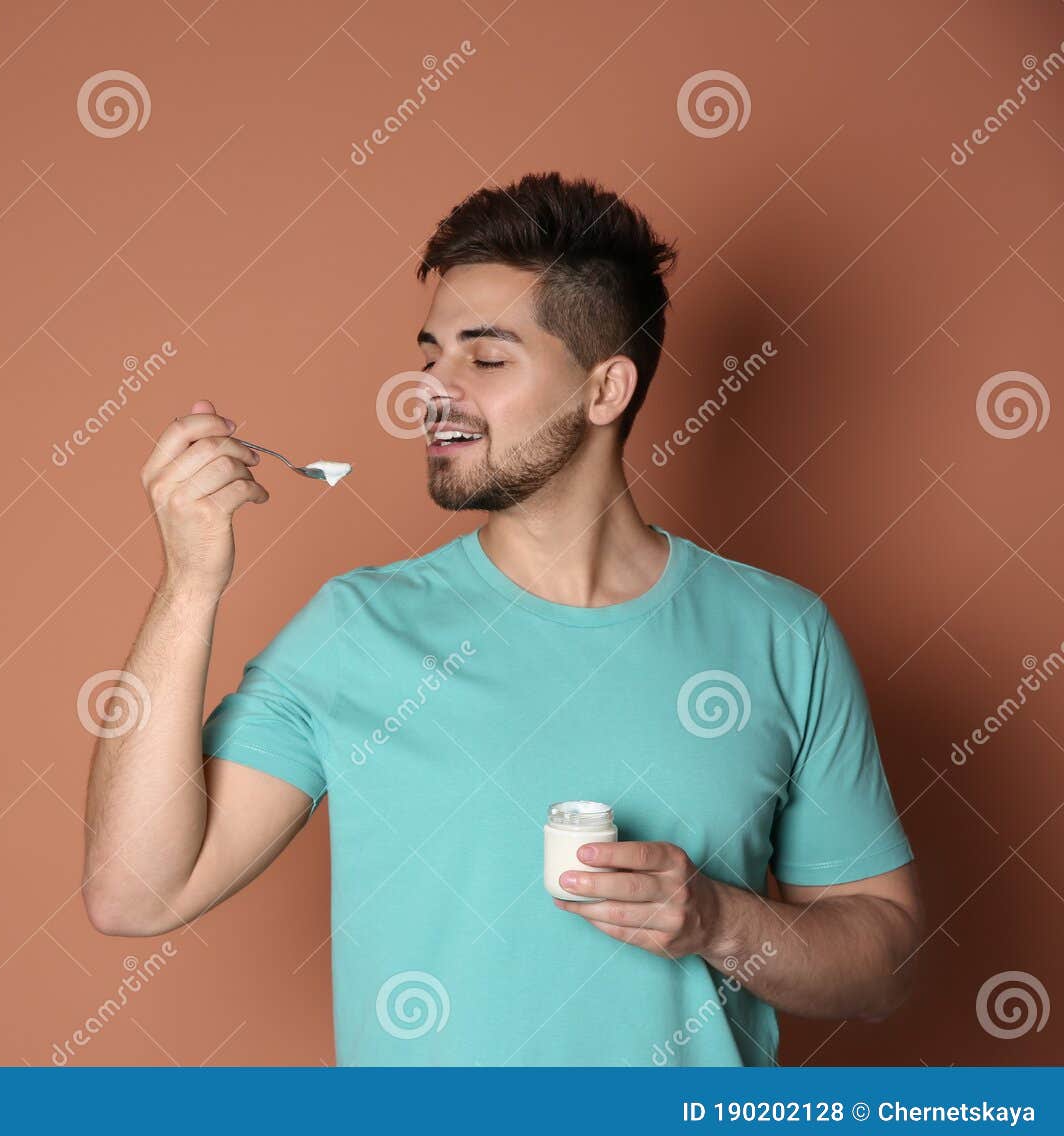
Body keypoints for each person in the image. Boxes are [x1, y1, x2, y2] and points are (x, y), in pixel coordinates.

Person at [81, 171, 924, 1065]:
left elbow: (885, 964)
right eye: (430, 355)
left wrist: (720, 919)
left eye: (484, 359)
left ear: (606, 391)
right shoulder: (355, 631)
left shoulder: (781, 634)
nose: (431, 391)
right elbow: (134, 893)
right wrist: (189, 582)